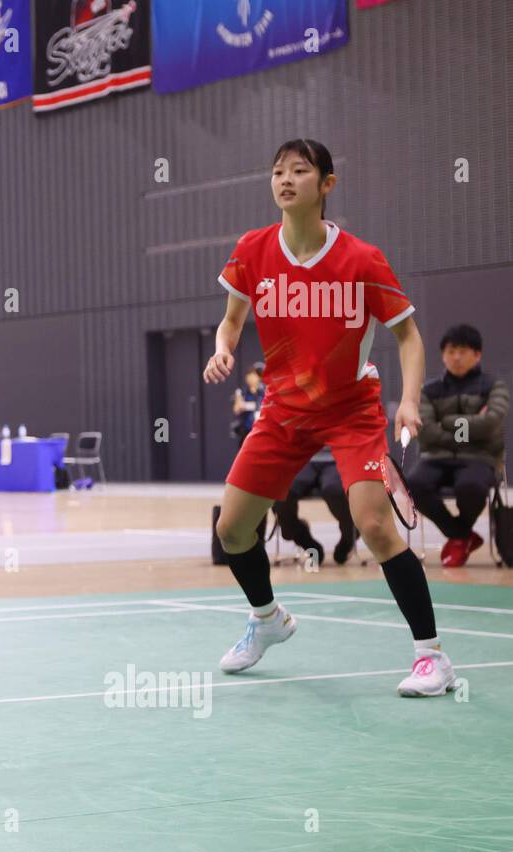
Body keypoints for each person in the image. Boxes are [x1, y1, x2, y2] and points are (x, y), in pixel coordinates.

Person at [206, 138, 453, 697]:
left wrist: (410, 400)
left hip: (349, 411)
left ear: (327, 184)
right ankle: (269, 620)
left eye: (299, 170)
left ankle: (431, 657)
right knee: (233, 528)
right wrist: (224, 347)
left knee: (372, 524)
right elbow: (231, 321)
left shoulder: (361, 260)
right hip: (282, 411)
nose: (285, 179)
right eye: (277, 171)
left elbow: (408, 336)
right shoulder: (252, 250)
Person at [409, 323, 508, 567]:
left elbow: (492, 422)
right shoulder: (429, 390)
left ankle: (458, 537)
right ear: (443, 354)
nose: (456, 357)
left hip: (480, 457)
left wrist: (448, 423)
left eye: (463, 351)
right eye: (451, 351)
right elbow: (426, 430)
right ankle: (461, 535)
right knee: (413, 484)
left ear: (477, 354)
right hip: (436, 457)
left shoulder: (493, 386)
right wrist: (467, 428)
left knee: (470, 486)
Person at [271, 448, 358, 565]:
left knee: (335, 491)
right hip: (300, 456)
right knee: (282, 490)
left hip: (336, 456)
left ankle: (348, 539)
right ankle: (305, 539)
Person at [231, 362, 265, 447]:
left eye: (254, 375)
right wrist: (241, 404)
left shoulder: (264, 391)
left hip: (261, 430)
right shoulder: (242, 392)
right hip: (246, 430)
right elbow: (236, 409)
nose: (251, 378)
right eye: (249, 375)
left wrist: (247, 406)